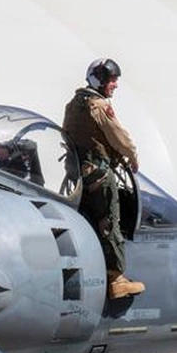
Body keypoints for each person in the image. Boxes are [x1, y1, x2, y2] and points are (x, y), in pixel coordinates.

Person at [62, 58, 144, 300]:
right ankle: (117, 280)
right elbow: (118, 136)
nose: (115, 85)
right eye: (112, 80)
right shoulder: (98, 105)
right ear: (99, 80)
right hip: (98, 173)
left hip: (78, 175)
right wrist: (132, 155)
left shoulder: (74, 103)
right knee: (110, 222)